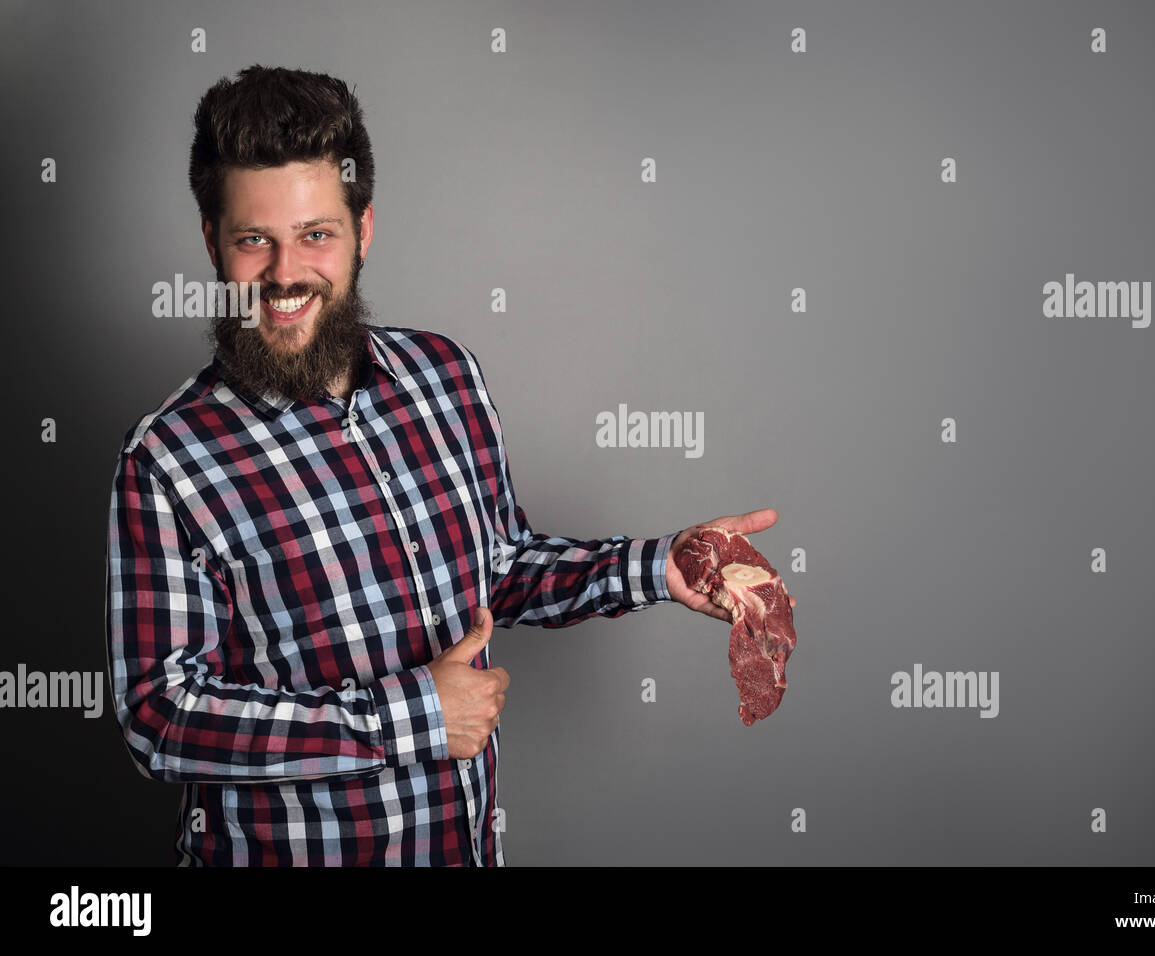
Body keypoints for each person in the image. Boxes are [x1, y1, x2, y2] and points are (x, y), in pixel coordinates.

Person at [104, 65, 789, 866]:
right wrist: (414, 718)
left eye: (316, 234)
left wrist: (654, 567)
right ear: (212, 241)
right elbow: (160, 715)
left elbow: (494, 567)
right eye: (255, 239)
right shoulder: (169, 459)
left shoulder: (445, 376)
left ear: (363, 231)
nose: (285, 274)